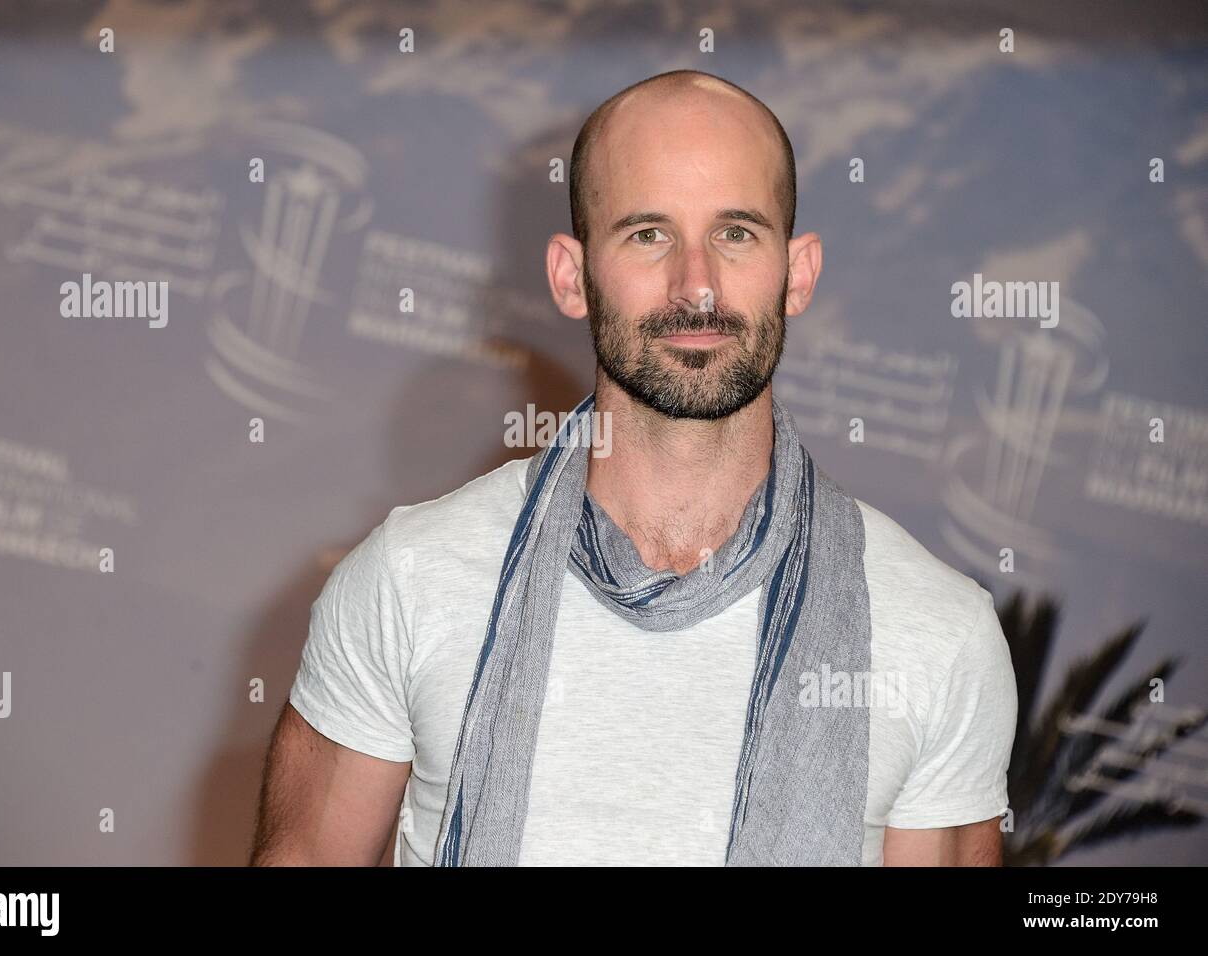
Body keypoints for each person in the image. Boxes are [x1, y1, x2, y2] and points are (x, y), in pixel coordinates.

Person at [250, 69, 1017, 867]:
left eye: (736, 233)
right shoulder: (407, 583)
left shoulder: (940, 636)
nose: (697, 285)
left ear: (799, 272)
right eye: (648, 233)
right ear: (571, 276)